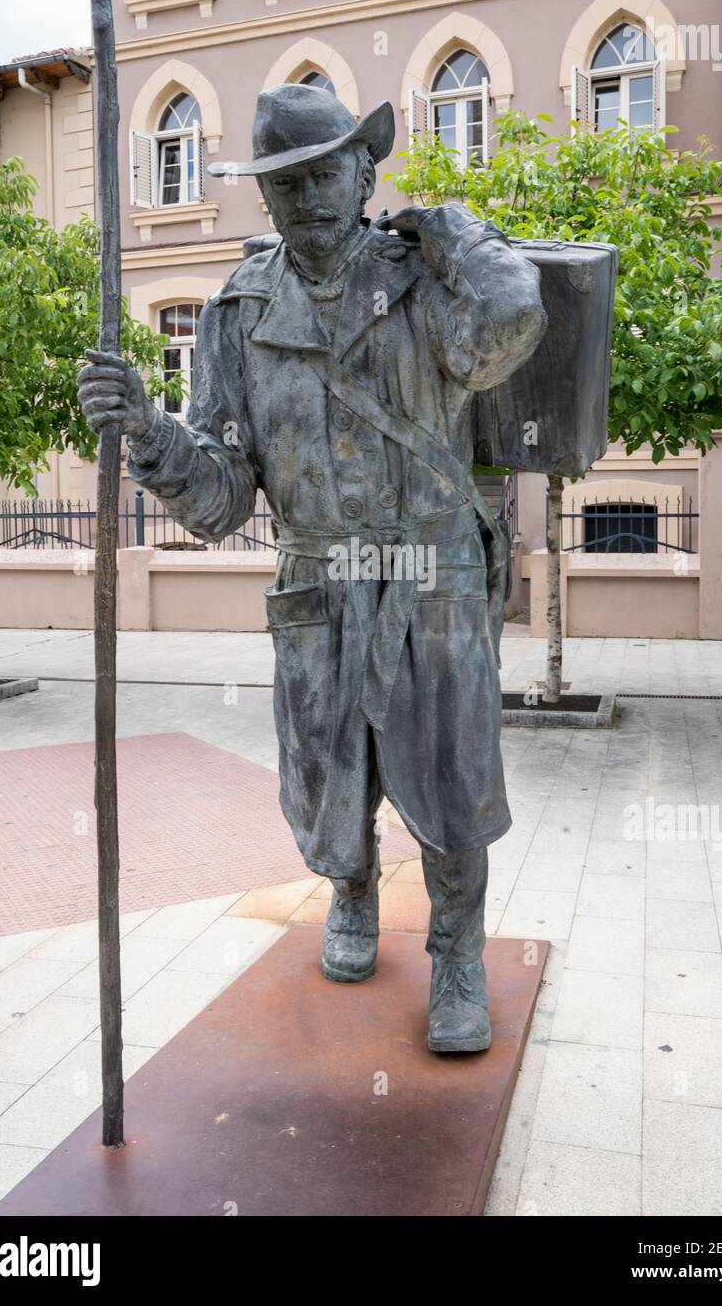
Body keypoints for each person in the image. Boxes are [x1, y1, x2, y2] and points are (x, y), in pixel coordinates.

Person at [78, 84, 546, 1052]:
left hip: (431, 579)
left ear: (366, 171)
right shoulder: (237, 317)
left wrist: (449, 229)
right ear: (266, 198)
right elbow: (221, 498)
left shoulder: (427, 283)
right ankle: (354, 889)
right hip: (317, 585)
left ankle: (457, 948)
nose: (310, 198)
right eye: (286, 183)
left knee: (452, 780)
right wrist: (148, 429)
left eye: (326, 172)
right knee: (332, 779)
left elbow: (511, 322)